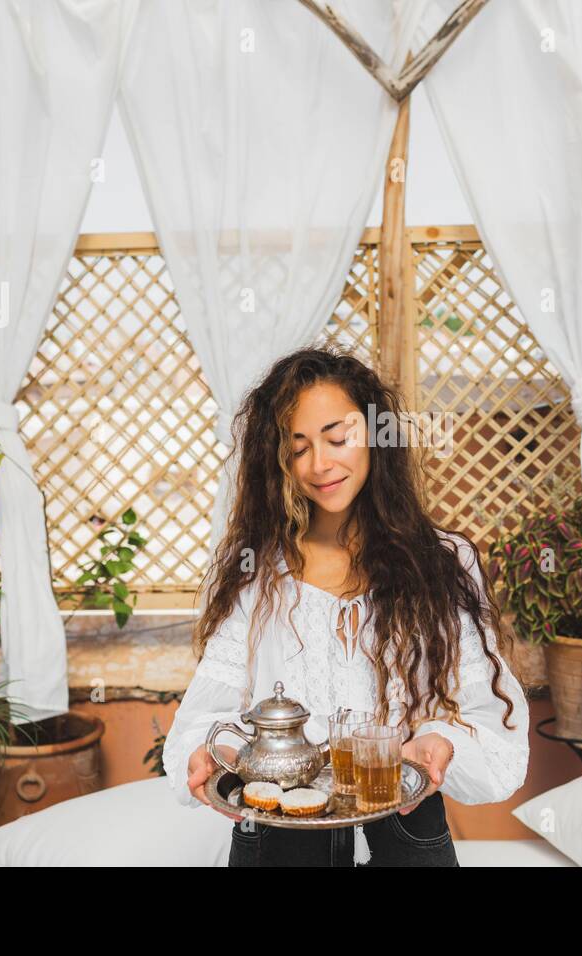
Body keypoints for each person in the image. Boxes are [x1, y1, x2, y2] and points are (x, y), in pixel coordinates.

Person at [162, 346, 530, 866]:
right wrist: (213, 755)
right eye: (298, 448)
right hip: (279, 837)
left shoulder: (443, 562)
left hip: (406, 833)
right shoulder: (258, 572)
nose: (320, 464)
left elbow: (487, 718)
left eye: (338, 438)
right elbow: (208, 718)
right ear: (278, 461)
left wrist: (437, 742)